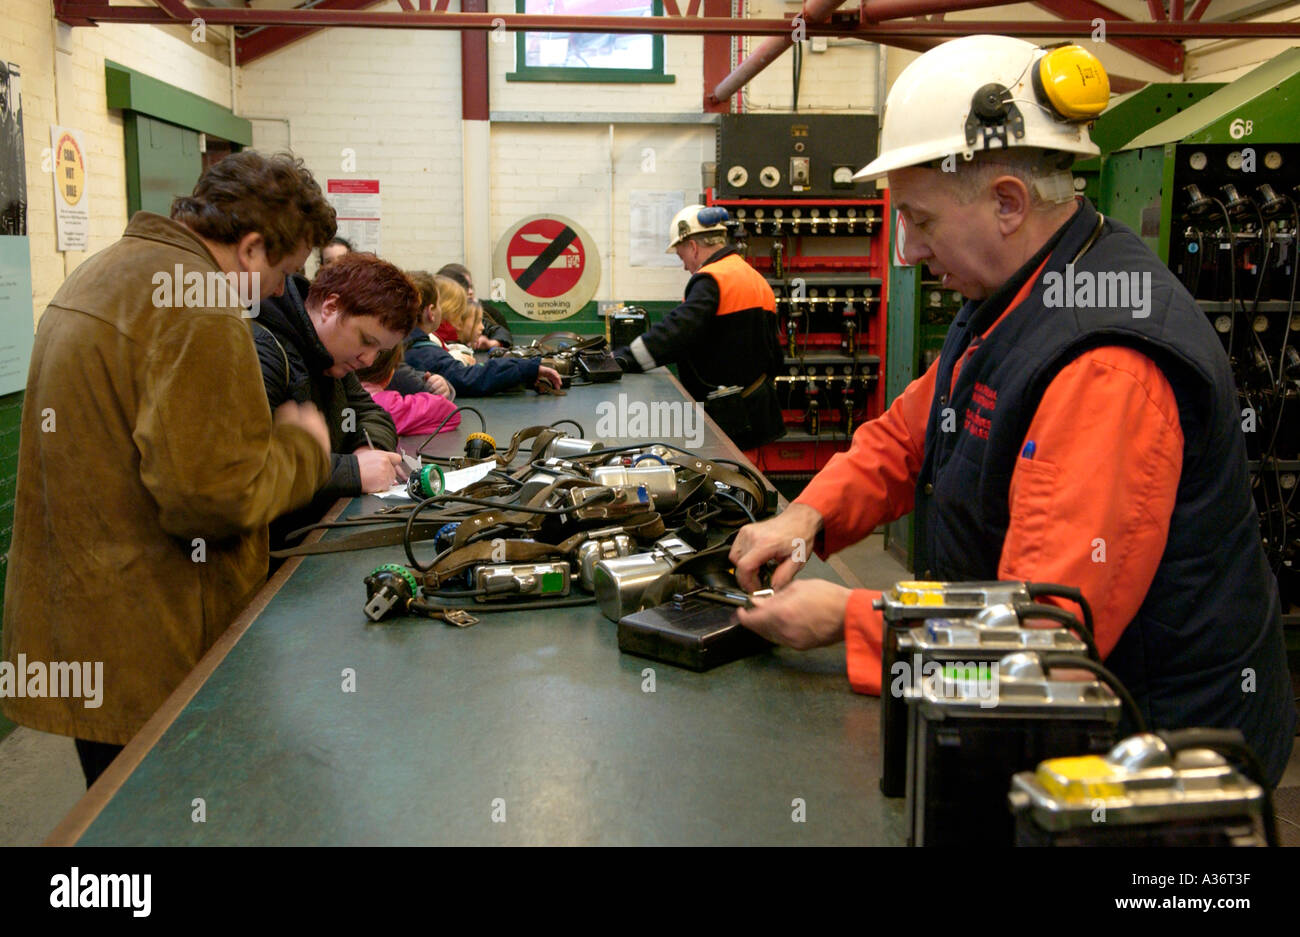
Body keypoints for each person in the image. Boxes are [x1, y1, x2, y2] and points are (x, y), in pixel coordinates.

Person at [729, 35, 1296, 785]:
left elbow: (1043, 637)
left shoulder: (1106, 366)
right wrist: (808, 516)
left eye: (921, 221)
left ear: (1007, 202)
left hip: (1151, 768)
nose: (904, 250)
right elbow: (908, 433)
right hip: (1050, 722)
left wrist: (851, 620)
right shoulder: (1012, 292)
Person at [2, 151, 335, 786]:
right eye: (284, 275)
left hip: (90, 629)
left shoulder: (105, 270)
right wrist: (303, 449)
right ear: (253, 247)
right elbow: (212, 498)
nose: (279, 294)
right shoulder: (199, 306)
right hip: (155, 640)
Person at [254, 252, 420, 547]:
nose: (368, 360)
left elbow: (372, 413)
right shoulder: (264, 352)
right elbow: (248, 472)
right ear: (331, 306)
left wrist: (368, 453)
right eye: (366, 341)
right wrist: (351, 472)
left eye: (380, 351)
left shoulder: (332, 357)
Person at [611, 204, 785, 449]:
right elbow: (776, 356)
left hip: (732, 418)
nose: (684, 266)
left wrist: (619, 359)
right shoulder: (753, 277)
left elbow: (676, 333)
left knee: (730, 482)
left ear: (692, 247)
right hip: (756, 410)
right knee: (750, 482)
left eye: (682, 257)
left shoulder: (712, 279)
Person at [405, 271, 561, 397]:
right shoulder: (422, 351)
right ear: (431, 312)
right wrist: (526, 368)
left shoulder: (406, 343)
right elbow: (468, 378)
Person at [357, 344, 462, 437]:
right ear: (390, 374)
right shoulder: (387, 406)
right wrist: (435, 388)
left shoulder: (344, 394)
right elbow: (450, 413)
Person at [437, 262, 512, 349]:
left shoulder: (477, 310)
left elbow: (500, 331)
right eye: (464, 287)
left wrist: (491, 343)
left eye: (471, 287)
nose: (470, 292)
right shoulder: (435, 331)